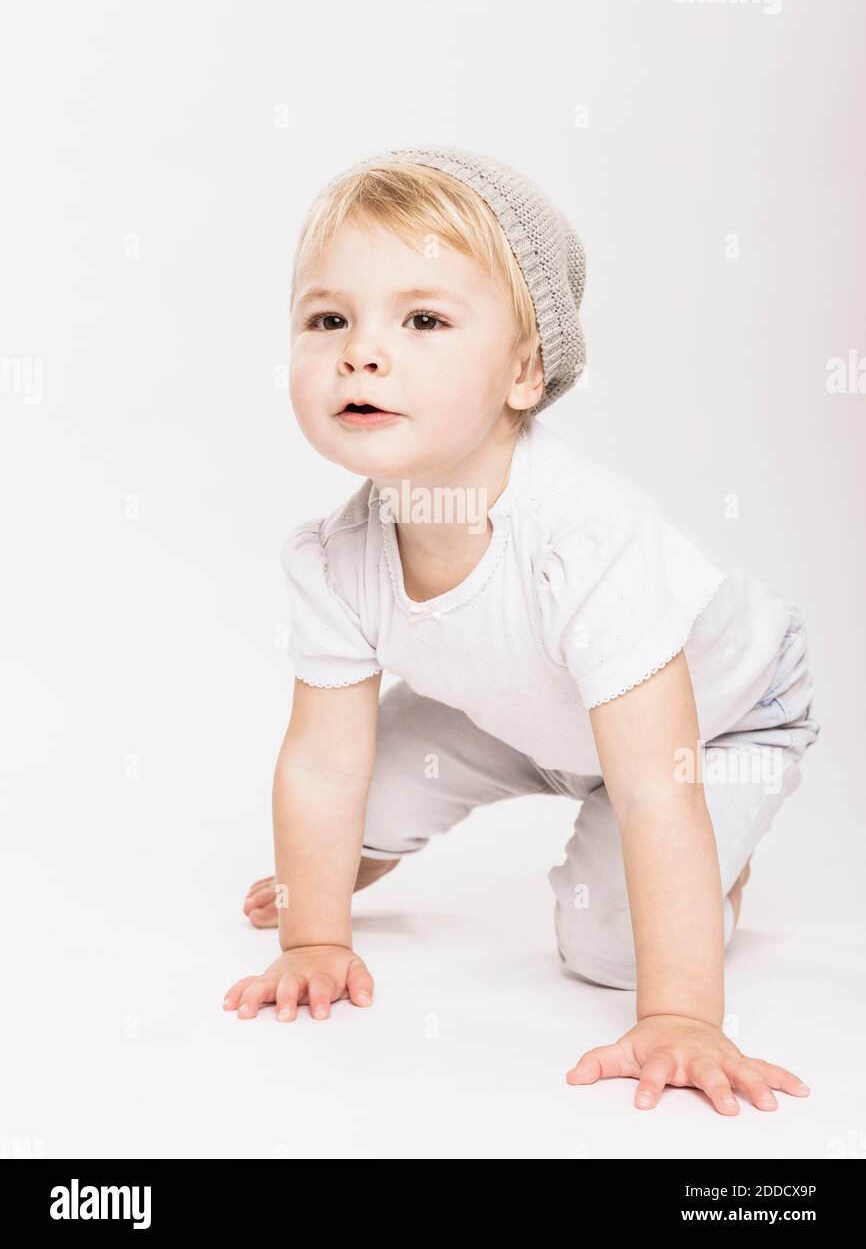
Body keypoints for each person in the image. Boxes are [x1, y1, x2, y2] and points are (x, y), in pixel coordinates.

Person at [223, 146, 821, 1115]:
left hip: (703, 722)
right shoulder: (334, 558)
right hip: (528, 704)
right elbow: (319, 764)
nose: (360, 351)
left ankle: (725, 863)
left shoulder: (586, 547)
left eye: (421, 320)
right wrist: (315, 937)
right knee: (335, 821)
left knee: (604, 946)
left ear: (525, 370)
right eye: (329, 317)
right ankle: (350, 868)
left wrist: (683, 1015)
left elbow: (652, 792)